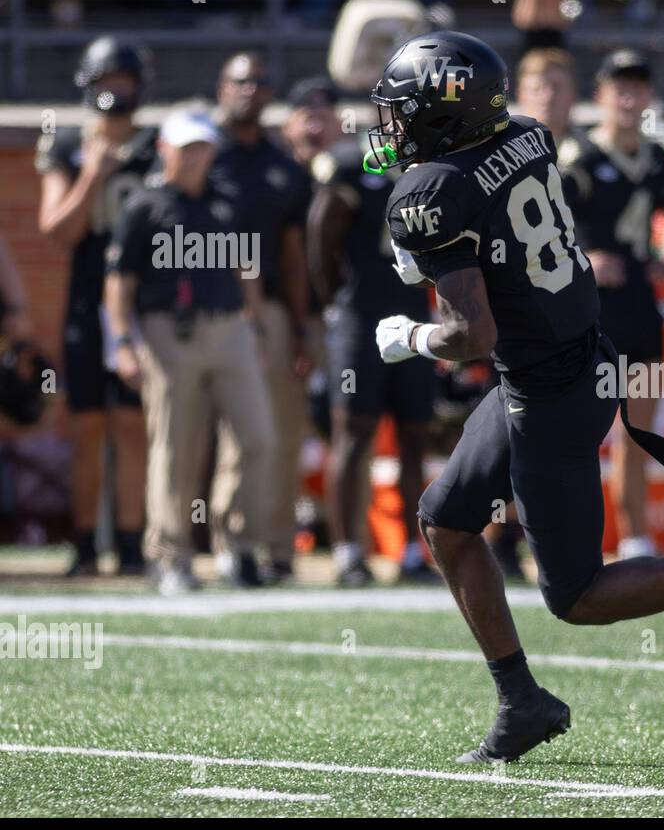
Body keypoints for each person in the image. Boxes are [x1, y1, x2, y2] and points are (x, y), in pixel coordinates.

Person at [366, 31, 664, 764]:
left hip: (547, 390)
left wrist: (412, 337)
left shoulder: (430, 194)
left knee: (577, 595)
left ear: (442, 115)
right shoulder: (527, 134)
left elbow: (470, 332)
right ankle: (521, 701)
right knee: (446, 521)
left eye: (404, 110)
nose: (390, 126)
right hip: (575, 359)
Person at [103, 108, 274, 596]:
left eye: (203, 146)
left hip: (229, 328)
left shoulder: (227, 201)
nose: (197, 156)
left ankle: (236, 547)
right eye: (187, 146)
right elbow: (119, 280)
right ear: (165, 150)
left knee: (257, 436)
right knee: (176, 446)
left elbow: (247, 268)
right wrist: (122, 342)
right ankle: (170, 555)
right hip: (167, 332)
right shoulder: (144, 206)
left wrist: (258, 326)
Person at [561, 49, 664, 559]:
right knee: (579, 433)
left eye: (637, 88)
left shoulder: (655, 158)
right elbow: (544, 231)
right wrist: (587, 259)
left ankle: (636, 536)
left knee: (639, 431)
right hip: (588, 313)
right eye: (620, 88)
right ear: (602, 96)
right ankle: (573, 537)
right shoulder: (580, 160)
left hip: (640, 306)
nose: (629, 98)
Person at [35, 36, 152, 577]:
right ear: (89, 85)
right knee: (86, 425)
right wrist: (92, 173)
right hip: (86, 298)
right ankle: (85, 545)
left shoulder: (155, 148)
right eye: (107, 81)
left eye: (124, 80)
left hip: (137, 297)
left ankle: (130, 545)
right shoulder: (68, 148)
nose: (116, 91)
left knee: (131, 425)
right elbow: (57, 228)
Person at [307, 130, 440, 586]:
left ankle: (410, 550)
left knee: (414, 436)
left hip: (416, 317)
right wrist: (336, 304)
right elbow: (320, 233)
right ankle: (347, 551)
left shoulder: (438, 166)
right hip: (361, 318)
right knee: (353, 432)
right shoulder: (358, 164)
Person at [208, 52, 314, 586]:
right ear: (222, 86)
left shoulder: (283, 168)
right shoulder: (201, 153)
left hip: (269, 308)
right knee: (237, 433)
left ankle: (276, 548)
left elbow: (293, 254)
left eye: (260, 81)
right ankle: (232, 543)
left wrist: (297, 326)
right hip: (207, 305)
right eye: (241, 80)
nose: (250, 89)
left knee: (279, 433)